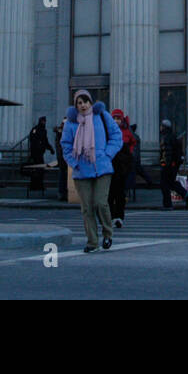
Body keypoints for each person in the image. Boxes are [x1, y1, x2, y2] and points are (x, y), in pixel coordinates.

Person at [61, 90, 122, 253]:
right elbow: (65, 145)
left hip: (102, 167)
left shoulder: (101, 116)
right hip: (81, 170)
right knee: (87, 208)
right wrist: (74, 162)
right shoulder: (71, 122)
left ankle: (108, 233)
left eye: (85, 102)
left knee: (100, 203)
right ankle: (92, 241)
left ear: (91, 102)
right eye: (79, 103)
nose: (83, 105)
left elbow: (117, 135)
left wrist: (107, 154)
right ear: (75, 105)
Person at [108, 109, 134, 227]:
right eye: (114, 118)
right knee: (110, 195)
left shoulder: (126, 132)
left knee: (120, 195)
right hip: (110, 168)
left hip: (121, 169)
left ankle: (119, 217)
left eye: (118, 118)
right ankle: (112, 216)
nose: (116, 121)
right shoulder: (108, 131)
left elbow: (131, 147)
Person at [158, 119, 188, 209]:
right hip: (173, 165)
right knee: (171, 183)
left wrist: (163, 164)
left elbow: (167, 153)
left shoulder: (166, 138)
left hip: (168, 165)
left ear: (164, 127)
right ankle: (185, 194)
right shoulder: (172, 136)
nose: (160, 128)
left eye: (161, 126)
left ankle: (168, 204)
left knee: (164, 184)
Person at [27, 116, 53, 193]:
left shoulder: (43, 130)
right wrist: (38, 146)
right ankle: (34, 185)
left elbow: (45, 141)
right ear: (40, 121)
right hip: (35, 153)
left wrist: (50, 148)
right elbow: (32, 139)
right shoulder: (35, 129)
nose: (44, 123)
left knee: (40, 170)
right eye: (43, 121)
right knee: (36, 169)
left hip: (40, 153)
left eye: (44, 121)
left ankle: (39, 185)